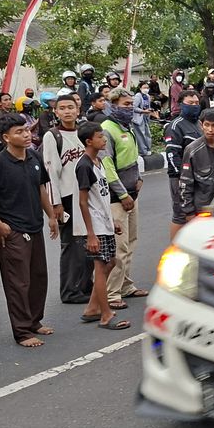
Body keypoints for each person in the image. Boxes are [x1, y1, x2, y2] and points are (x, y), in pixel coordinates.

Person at [0, 113, 59, 348]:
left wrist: (51, 216)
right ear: (5, 137)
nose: (26, 135)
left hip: (35, 226)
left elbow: (41, 188)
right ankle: (22, 331)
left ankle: (34, 321)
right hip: (12, 231)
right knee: (18, 283)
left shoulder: (34, 156)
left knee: (38, 277)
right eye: (19, 132)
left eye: (26, 130)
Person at [74, 122, 129, 330]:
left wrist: (111, 220)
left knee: (110, 262)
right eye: (99, 137)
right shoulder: (84, 166)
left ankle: (92, 308)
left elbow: (101, 196)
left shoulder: (99, 161)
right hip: (95, 227)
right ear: (89, 141)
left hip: (104, 223)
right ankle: (105, 315)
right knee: (100, 267)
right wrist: (90, 234)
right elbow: (83, 202)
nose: (104, 139)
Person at [42, 93, 93, 305]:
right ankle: (70, 290)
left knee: (89, 243)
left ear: (78, 109)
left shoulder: (84, 132)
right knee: (72, 246)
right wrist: (56, 204)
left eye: (70, 107)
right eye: (62, 108)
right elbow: (51, 172)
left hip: (87, 195)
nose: (67, 111)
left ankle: (86, 285)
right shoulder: (52, 136)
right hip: (67, 198)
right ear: (56, 112)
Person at [100, 88, 147, 310]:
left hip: (131, 193)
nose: (130, 108)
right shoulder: (107, 129)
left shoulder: (126, 127)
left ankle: (126, 286)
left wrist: (139, 179)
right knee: (119, 247)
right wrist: (123, 194)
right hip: (117, 198)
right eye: (125, 104)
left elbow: (132, 158)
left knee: (131, 243)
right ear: (113, 105)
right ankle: (112, 294)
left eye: (130, 104)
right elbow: (107, 166)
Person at [178, 108, 214, 223]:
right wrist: (188, 212)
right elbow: (185, 183)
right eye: (207, 125)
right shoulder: (192, 150)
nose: (210, 129)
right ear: (201, 125)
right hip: (201, 209)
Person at [165, 90, 203, 240]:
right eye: (190, 103)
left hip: (198, 176)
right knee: (181, 214)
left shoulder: (199, 124)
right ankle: (175, 248)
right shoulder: (175, 126)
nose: (194, 106)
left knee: (196, 212)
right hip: (181, 177)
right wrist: (181, 178)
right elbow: (172, 154)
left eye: (196, 103)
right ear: (181, 104)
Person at [131, 82, 153, 156]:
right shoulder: (138, 96)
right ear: (140, 88)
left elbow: (148, 106)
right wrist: (143, 111)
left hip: (145, 117)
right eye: (144, 87)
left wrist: (149, 111)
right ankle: (142, 151)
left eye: (147, 88)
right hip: (138, 118)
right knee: (140, 135)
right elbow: (134, 107)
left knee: (147, 133)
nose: (146, 89)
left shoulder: (147, 96)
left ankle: (148, 149)